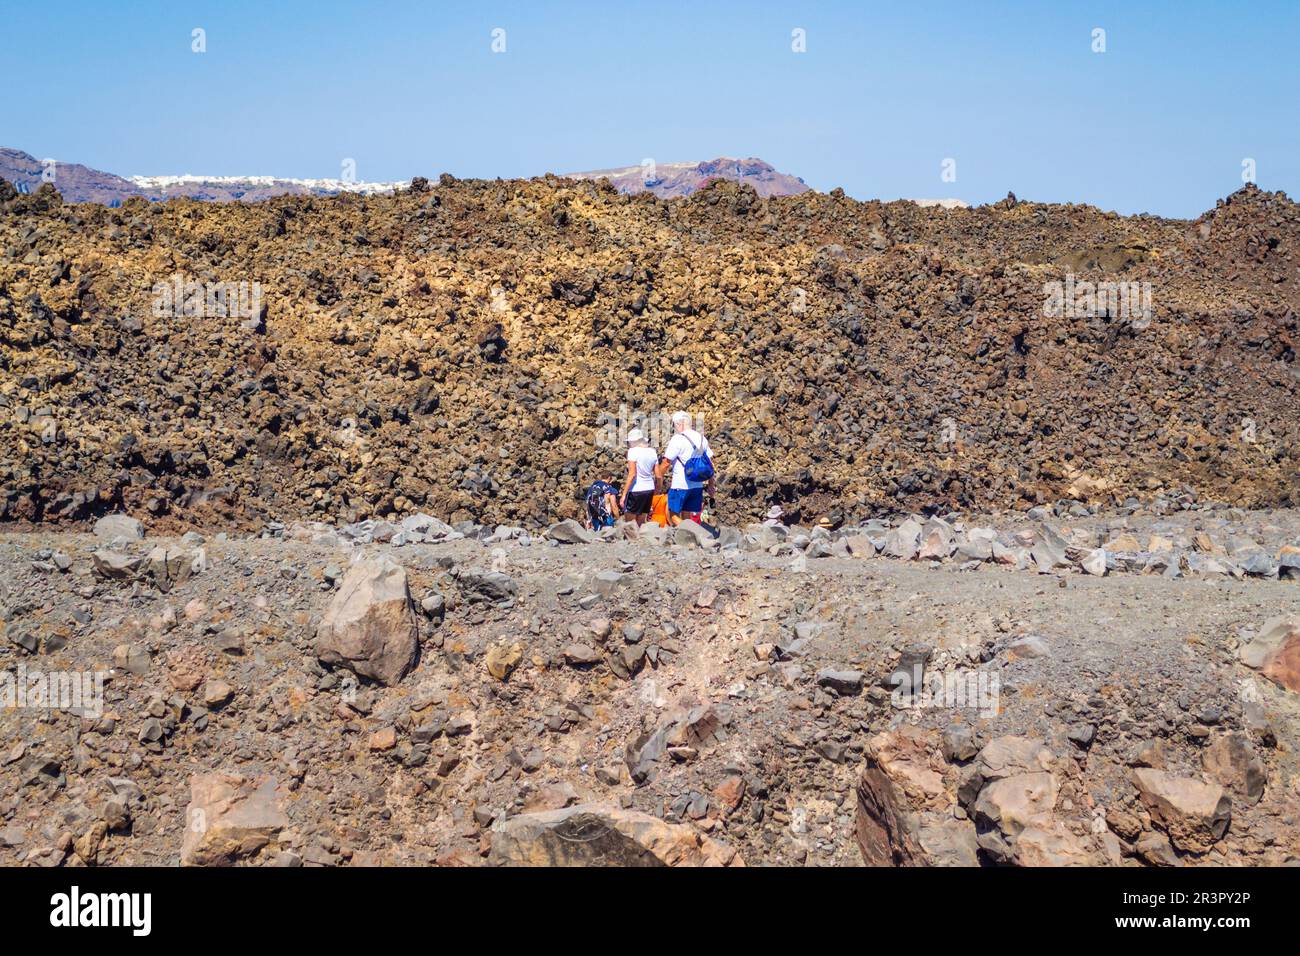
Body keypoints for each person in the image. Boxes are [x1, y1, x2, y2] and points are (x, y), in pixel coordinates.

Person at [654, 411, 716, 526]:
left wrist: (658, 480)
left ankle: (694, 534)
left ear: (680, 423)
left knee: (673, 515)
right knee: (687, 514)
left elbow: (666, 463)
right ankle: (688, 539)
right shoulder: (701, 438)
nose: (674, 428)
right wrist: (711, 485)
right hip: (697, 485)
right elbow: (710, 464)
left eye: (674, 425)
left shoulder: (678, 439)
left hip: (680, 485)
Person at [619, 428, 658, 525]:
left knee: (630, 522)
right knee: (641, 521)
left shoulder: (632, 451)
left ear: (633, 441)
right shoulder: (652, 451)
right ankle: (641, 539)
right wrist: (657, 490)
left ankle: (632, 540)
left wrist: (623, 495)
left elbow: (632, 475)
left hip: (636, 490)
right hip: (649, 489)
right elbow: (658, 475)